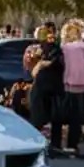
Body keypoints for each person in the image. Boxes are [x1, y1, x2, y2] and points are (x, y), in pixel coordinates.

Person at [28, 21, 66, 155]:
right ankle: (55, 144)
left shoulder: (39, 49)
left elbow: (33, 69)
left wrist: (40, 65)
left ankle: (35, 143)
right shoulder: (58, 48)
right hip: (55, 85)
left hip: (43, 85)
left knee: (38, 115)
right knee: (55, 117)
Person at [60, 20, 84, 158]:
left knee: (64, 114)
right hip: (83, 84)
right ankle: (73, 144)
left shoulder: (64, 48)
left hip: (68, 84)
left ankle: (63, 143)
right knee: (77, 116)